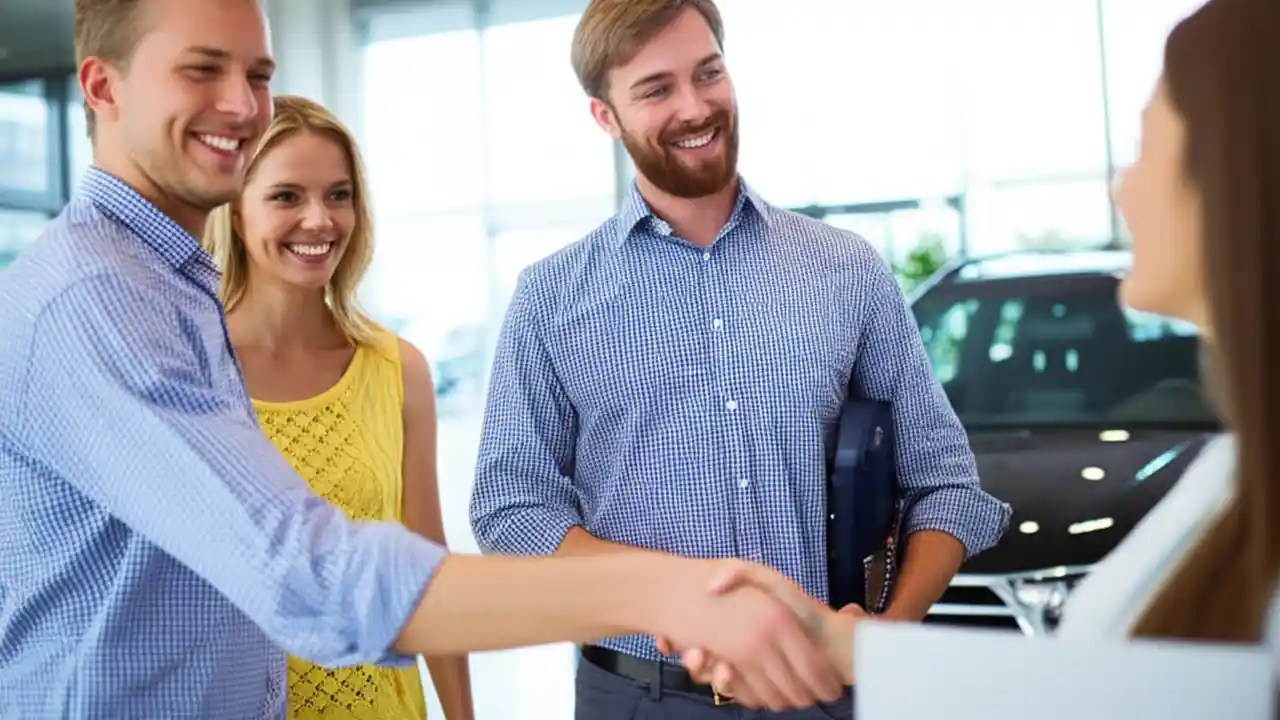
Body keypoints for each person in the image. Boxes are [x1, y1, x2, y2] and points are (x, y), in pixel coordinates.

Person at [0, 0, 849, 716]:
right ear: (102, 87)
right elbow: (313, 576)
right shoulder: (96, 301)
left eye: (257, 75)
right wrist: (663, 593)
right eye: (200, 70)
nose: (241, 105)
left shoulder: (168, 284)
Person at [687, 0, 1280, 696]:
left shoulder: (1229, 482)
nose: (1123, 188)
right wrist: (859, 652)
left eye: (1149, 147)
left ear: (1233, 175)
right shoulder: (1232, 476)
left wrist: (872, 652)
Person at [466, 0, 1011, 716]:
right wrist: (681, 597)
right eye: (656, 89)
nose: (695, 107)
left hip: (824, 690)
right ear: (606, 117)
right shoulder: (551, 298)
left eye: (708, 74)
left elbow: (946, 482)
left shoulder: (845, 270)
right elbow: (511, 509)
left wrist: (887, 633)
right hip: (637, 695)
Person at [202, 94, 475, 720]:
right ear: (237, 212)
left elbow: (427, 573)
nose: (320, 221)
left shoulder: (396, 369)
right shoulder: (195, 371)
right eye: (286, 196)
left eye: (338, 194)